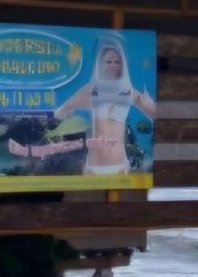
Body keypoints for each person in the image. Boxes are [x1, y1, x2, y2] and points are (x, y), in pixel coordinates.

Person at [52, 35, 155, 175]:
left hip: (120, 167)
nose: (113, 65)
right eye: (109, 61)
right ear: (101, 63)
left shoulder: (128, 91)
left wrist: (149, 104)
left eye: (117, 62)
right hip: (93, 169)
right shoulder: (89, 90)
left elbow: (156, 116)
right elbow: (59, 113)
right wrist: (73, 107)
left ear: (123, 64)